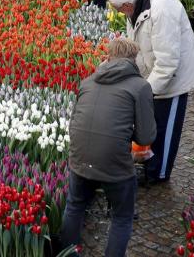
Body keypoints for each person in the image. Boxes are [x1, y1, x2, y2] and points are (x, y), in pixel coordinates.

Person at [60, 37, 156, 257]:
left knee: (74, 205)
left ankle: (67, 254)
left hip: (79, 156)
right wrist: (123, 133)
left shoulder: (87, 81)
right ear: (134, 59)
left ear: (109, 57)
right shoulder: (140, 86)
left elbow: (74, 121)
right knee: (122, 216)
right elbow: (145, 136)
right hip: (114, 162)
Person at [105, 0, 194, 184]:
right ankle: (151, 165)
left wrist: (145, 92)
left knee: (166, 128)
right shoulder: (136, 7)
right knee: (153, 125)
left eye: (118, 10)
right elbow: (135, 46)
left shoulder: (161, 11)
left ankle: (159, 173)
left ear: (125, 6)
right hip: (153, 73)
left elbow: (168, 63)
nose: (120, 14)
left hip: (175, 79)